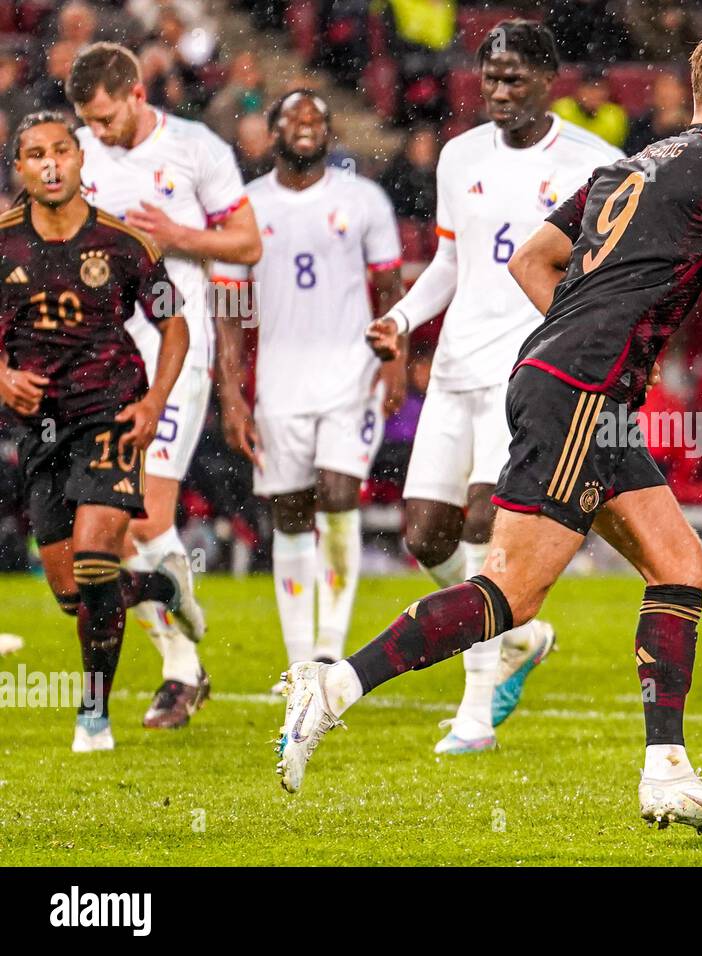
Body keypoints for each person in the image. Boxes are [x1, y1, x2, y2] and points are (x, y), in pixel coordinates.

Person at [279, 36, 702, 834]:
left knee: (680, 564)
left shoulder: (631, 166)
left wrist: (581, 333)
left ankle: (667, 772)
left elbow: (534, 260)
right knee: (510, 593)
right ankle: (333, 686)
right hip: (581, 392)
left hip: (580, 390)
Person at [364, 21, 621, 755]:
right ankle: (520, 630)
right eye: (492, 77)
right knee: (424, 536)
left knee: (486, 529)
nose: (500, 91)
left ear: (548, 79)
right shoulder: (459, 155)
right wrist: (402, 318)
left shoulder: (595, 162)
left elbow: (614, 274)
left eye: (515, 78)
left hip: (529, 373)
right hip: (453, 370)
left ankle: (474, 714)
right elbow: (449, 264)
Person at [67, 42, 262, 729]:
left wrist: (178, 236)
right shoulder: (77, 155)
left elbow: (246, 245)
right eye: (88, 123)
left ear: (136, 94)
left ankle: (183, 618)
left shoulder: (196, 148)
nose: (99, 134)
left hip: (176, 349)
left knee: (146, 515)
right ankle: (183, 663)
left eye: (107, 120)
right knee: (109, 532)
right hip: (99, 359)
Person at [0, 111, 203, 751]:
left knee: (94, 562)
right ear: (20, 170)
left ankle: (94, 715)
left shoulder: (125, 244)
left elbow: (175, 325)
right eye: (36, 154)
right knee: (71, 593)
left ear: (81, 160)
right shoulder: (1, 243)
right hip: (40, 430)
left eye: (63, 149)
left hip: (112, 412)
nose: (52, 163)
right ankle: (164, 587)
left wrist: (156, 403)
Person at [213, 90, 405, 677]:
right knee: (290, 512)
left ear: (330, 133)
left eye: (318, 118)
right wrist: (230, 392)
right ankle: (300, 661)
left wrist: (394, 360)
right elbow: (226, 306)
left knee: (339, 492)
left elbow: (391, 288)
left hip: (351, 376)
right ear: (271, 131)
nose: (306, 125)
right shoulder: (244, 207)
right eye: (294, 116)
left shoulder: (364, 198)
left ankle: (329, 646)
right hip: (279, 386)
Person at [551, 66, 629, 148]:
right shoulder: (560, 109)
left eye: (599, 88)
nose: (593, 94)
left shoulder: (615, 116)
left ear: (607, 92)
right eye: (589, 88)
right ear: (578, 90)